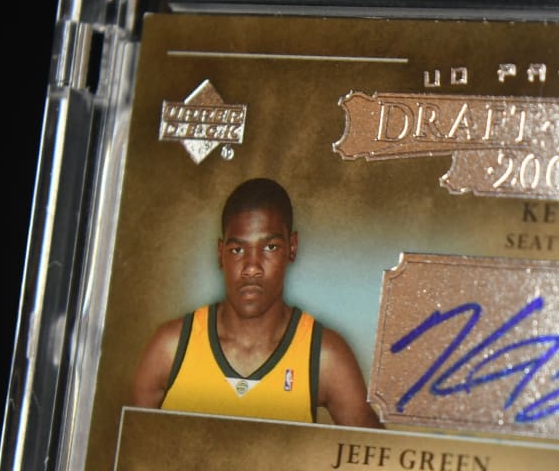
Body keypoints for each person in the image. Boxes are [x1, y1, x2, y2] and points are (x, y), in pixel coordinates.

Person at [130, 178, 380, 427]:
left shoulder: (324, 355)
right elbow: (124, 445)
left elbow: (377, 450)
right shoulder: (171, 348)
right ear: (220, 254)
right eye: (237, 250)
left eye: (270, 247)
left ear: (292, 247)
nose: (251, 268)